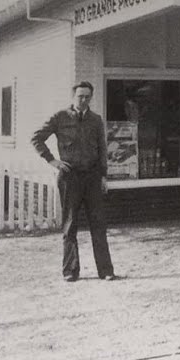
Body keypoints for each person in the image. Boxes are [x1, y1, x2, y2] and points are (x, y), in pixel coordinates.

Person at [32, 81, 117, 282]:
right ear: (73, 96)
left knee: (98, 224)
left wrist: (103, 176)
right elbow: (37, 138)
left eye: (87, 96)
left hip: (93, 177)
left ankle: (106, 271)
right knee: (70, 225)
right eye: (80, 96)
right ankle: (70, 271)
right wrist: (52, 160)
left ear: (91, 97)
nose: (84, 99)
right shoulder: (60, 118)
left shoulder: (96, 120)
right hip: (70, 178)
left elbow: (102, 149)